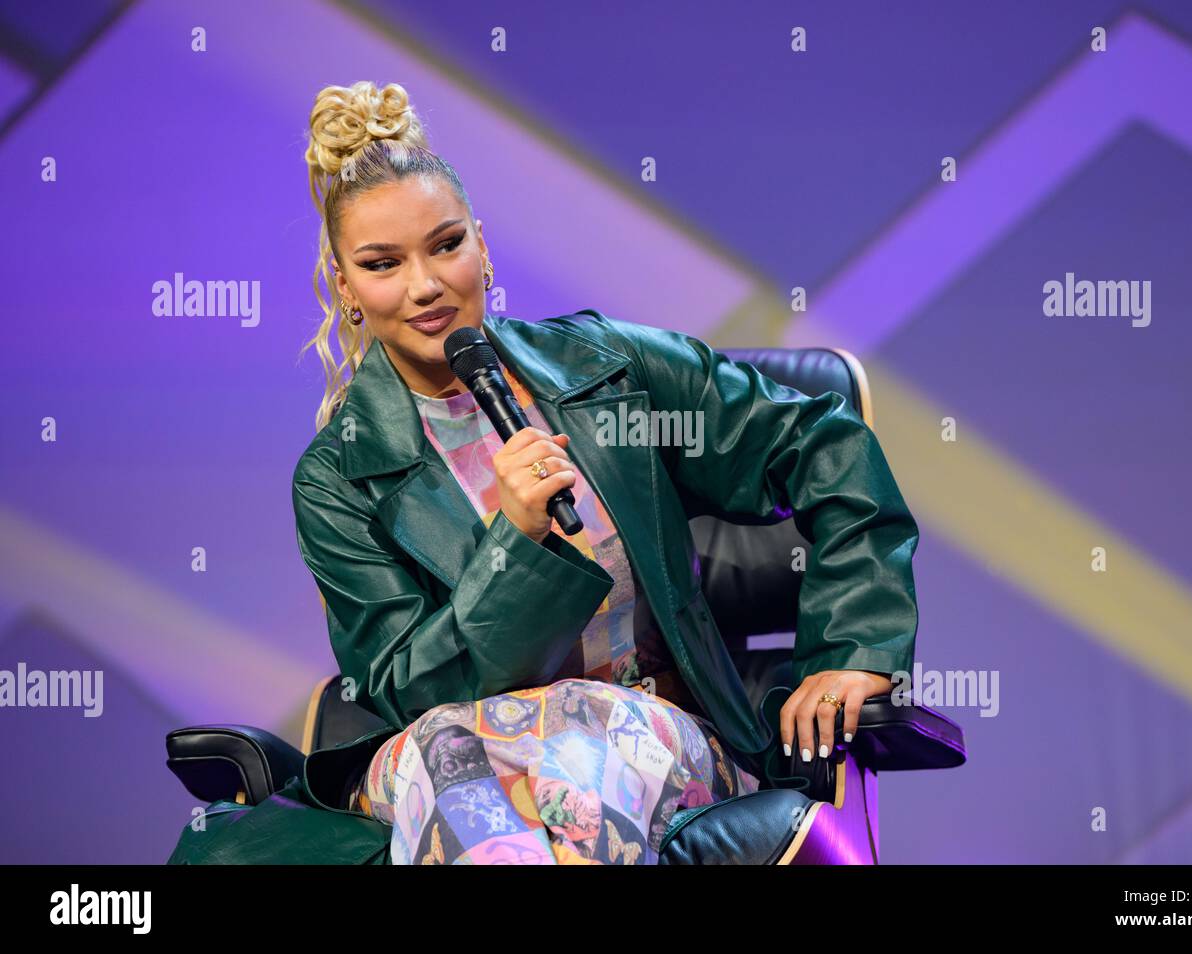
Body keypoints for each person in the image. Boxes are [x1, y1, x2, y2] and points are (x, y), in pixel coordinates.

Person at [284, 80, 920, 865]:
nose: (424, 286)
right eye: (383, 264)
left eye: (446, 245)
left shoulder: (607, 372)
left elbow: (824, 441)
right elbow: (414, 693)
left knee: (576, 767)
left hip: (641, 726)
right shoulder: (338, 476)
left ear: (481, 244)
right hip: (444, 745)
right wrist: (514, 542)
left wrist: (854, 644)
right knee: (460, 763)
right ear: (346, 288)